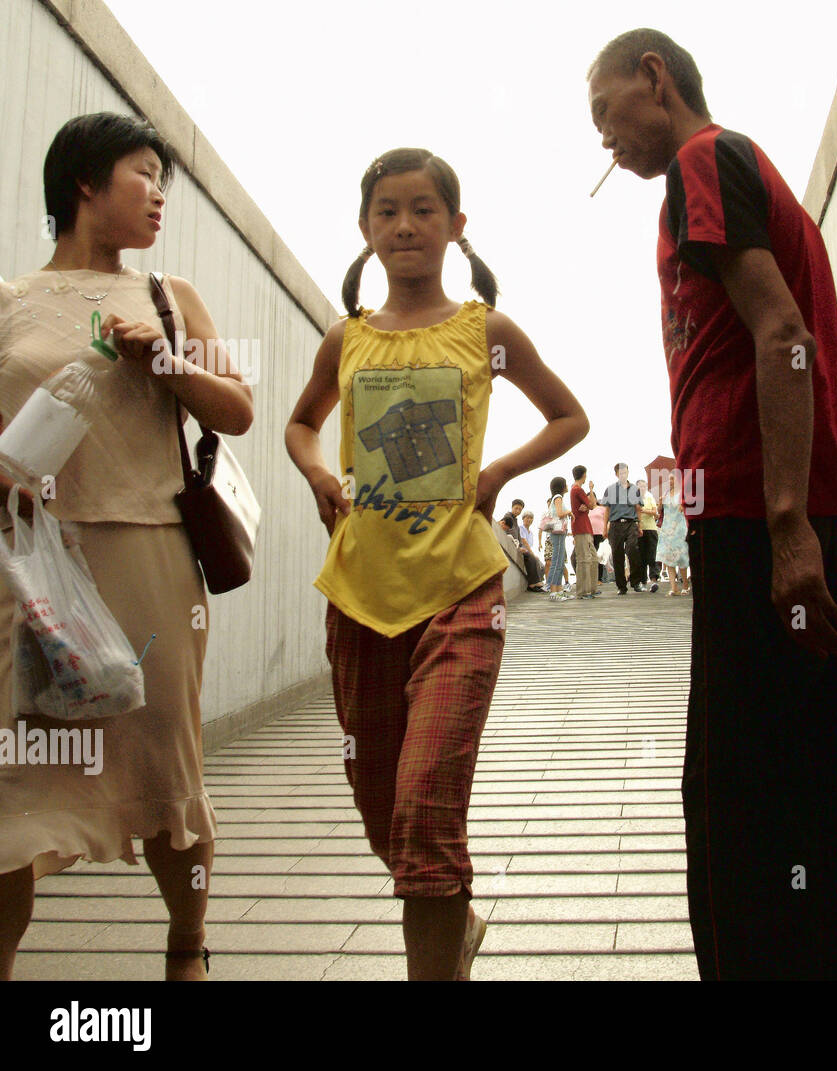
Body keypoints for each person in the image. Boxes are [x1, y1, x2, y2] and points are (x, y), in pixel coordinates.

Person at [588, 30, 837, 980]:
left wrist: (784, 526)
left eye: (606, 112)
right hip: (774, 507)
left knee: (730, 801)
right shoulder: (726, 167)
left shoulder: (701, 161)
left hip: (748, 514)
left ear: (655, 78)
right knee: (810, 769)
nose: (606, 141)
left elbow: (782, 333)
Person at [285, 147, 587, 981]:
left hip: (460, 591)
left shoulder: (485, 330)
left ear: (457, 227)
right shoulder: (345, 338)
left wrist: (495, 475)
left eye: (424, 209)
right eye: (387, 210)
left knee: (426, 805)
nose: (406, 225)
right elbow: (300, 424)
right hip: (359, 598)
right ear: (365, 229)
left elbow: (570, 417)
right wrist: (316, 472)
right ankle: (457, 921)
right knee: (382, 809)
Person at [0, 113, 254, 981]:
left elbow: (238, 409)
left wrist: (171, 366)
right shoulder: (10, 302)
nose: (157, 197)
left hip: (151, 561)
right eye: (143, 174)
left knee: (164, 766)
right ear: (83, 182)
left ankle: (187, 948)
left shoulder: (167, 297)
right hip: (30, 569)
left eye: (164, 181)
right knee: (17, 784)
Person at [600, 462, 643, 594]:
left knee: (632, 549)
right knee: (617, 555)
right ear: (616, 474)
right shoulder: (610, 489)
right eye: (620, 473)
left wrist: (640, 526)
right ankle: (621, 586)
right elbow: (606, 510)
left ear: (628, 472)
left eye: (625, 472)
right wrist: (604, 528)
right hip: (615, 524)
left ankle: (636, 582)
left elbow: (638, 508)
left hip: (631, 523)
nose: (623, 475)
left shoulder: (634, 489)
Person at [657, 469, 690, 595]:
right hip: (667, 529)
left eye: (672, 479)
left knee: (681, 557)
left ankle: (685, 585)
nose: (670, 481)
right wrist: (660, 503)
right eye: (669, 479)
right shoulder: (666, 493)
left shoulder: (682, 494)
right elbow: (660, 511)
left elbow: (685, 509)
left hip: (679, 528)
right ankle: (673, 587)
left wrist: (683, 505)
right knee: (668, 558)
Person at [569, 465, 599, 599]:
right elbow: (593, 505)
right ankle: (583, 591)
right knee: (583, 559)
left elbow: (589, 506)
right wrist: (591, 491)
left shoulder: (575, 489)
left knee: (592, 558)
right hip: (581, 528)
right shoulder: (577, 489)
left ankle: (591, 588)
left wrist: (586, 507)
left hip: (585, 527)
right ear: (583, 475)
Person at [544, 475, 573, 601]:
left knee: (559, 561)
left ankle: (559, 590)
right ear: (561, 486)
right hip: (558, 533)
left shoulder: (556, 497)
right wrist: (570, 512)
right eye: (565, 484)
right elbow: (560, 513)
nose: (567, 486)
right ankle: (554, 592)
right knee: (557, 561)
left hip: (558, 533)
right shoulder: (558, 497)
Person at [635, 478, 660, 592]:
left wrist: (643, 510)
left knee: (652, 555)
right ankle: (643, 582)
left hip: (651, 529)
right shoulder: (634, 499)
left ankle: (654, 580)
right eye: (640, 486)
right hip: (639, 529)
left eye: (644, 486)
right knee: (641, 557)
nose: (642, 488)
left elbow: (655, 512)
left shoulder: (650, 497)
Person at [517, 510, 546, 592]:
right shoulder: (521, 528)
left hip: (528, 551)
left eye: (531, 518)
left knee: (541, 565)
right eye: (527, 518)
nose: (529, 520)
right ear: (523, 519)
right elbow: (524, 542)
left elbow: (530, 545)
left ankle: (539, 582)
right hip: (522, 551)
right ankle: (532, 584)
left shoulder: (531, 533)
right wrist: (532, 554)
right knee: (533, 558)